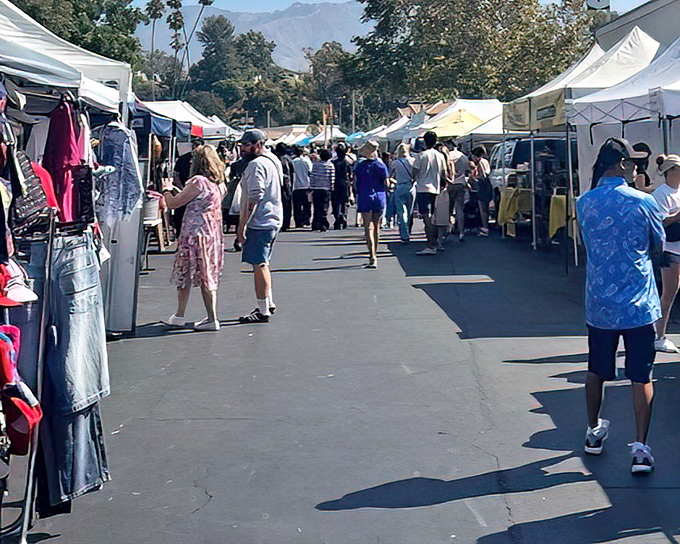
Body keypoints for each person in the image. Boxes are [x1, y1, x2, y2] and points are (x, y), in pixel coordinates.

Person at [577, 137, 664, 474]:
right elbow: (656, 245)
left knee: (597, 368)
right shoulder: (643, 202)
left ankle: (593, 430)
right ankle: (641, 447)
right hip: (639, 302)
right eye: (633, 162)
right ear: (622, 165)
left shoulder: (584, 203)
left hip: (600, 302)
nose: (637, 168)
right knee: (641, 375)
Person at [163, 144, 227, 331]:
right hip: (211, 234)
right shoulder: (218, 184)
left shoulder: (198, 182)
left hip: (194, 235)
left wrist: (167, 190)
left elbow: (174, 203)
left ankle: (181, 315)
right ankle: (210, 316)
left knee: (185, 274)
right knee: (208, 275)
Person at [237, 129, 284, 324]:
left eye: (246, 145)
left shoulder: (256, 165)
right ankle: (268, 301)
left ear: (257, 145)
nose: (242, 149)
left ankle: (262, 308)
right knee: (264, 262)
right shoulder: (273, 161)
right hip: (272, 218)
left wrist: (242, 226)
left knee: (259, 264)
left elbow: (254, 196)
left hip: (261, 220)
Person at [652, 154, 680, 353]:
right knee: (669, 293)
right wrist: (676, 216)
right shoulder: (660, 194)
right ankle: (659, 335)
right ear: (670, 171)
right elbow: (658, 223)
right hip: (670, 249)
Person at [354, 140, 388, 268]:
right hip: (379, 196)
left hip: (365, 195)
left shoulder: (360, 166)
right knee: (377, 226)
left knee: (368, 226)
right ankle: (376, 252)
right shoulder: (381, 165)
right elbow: (386, 182)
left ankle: (372, 255)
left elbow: (356, 182)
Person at [413, 131, 447, 255]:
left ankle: (431, 244)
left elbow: (414, 172)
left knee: (426, 218)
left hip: (423, 188)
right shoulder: (440, 156)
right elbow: (444, 173)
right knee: (434, 217)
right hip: (436, 188)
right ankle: (437, 242)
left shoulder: (421, 155)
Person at [390, 143, 415, 243]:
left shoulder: (395, 163)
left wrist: (395, 182)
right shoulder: (413, 161)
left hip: (399, 187)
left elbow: (390, 177)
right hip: (411, 187)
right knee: (410, 211)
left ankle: (404, 234)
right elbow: (415, 175)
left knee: (401, 212)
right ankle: (408, 229)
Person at [446, 140, 471, 242]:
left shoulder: (449, 156)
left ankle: (447, 230)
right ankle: (461, 232)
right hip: (461, 183)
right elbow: (467, 171)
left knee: (448, 209)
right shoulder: (463, 157)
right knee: (460, 209)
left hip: (450, 184)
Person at [310, 148, 334, 231]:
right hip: (325, 189)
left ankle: (315, 224)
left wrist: (312, 187)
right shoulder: (330, 165)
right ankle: (323, 224)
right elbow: (332, 178)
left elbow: (312, 177)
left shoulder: (315, 165)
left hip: (316, 189)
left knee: (316, 207)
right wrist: (332, 188)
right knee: (324, 208)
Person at [470, 146, 492, 236]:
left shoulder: (480, 163)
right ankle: (485, 226)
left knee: (482, 208)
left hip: (482, 185)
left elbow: (482, 175)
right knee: (486, 208)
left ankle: (485, 228)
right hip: (487, 185)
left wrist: (474, 180)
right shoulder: (486, 161)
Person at [331, 143, 353, 229]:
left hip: (335, 183)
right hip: (345, 183)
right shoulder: (347, 163)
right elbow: (350, 175)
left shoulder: (334, 162)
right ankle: (344, 216)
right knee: (344, 202)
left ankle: (337, 217)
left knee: (336, 203)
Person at [274, 143, 294, 232]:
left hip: (281, 184)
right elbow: (292, 173)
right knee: (286, 204)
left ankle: (283, 223)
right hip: (286, 184)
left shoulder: (277, 159)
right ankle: (286, 222)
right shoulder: (288, 159)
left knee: (282, 203)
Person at [292, 147, 312, 228]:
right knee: (307, 204)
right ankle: (306, 219)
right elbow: (310, 171)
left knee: (297, 206)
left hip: (296, 186)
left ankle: (298, 222)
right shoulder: (306, 161)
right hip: (306, 185)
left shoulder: (293, 162)